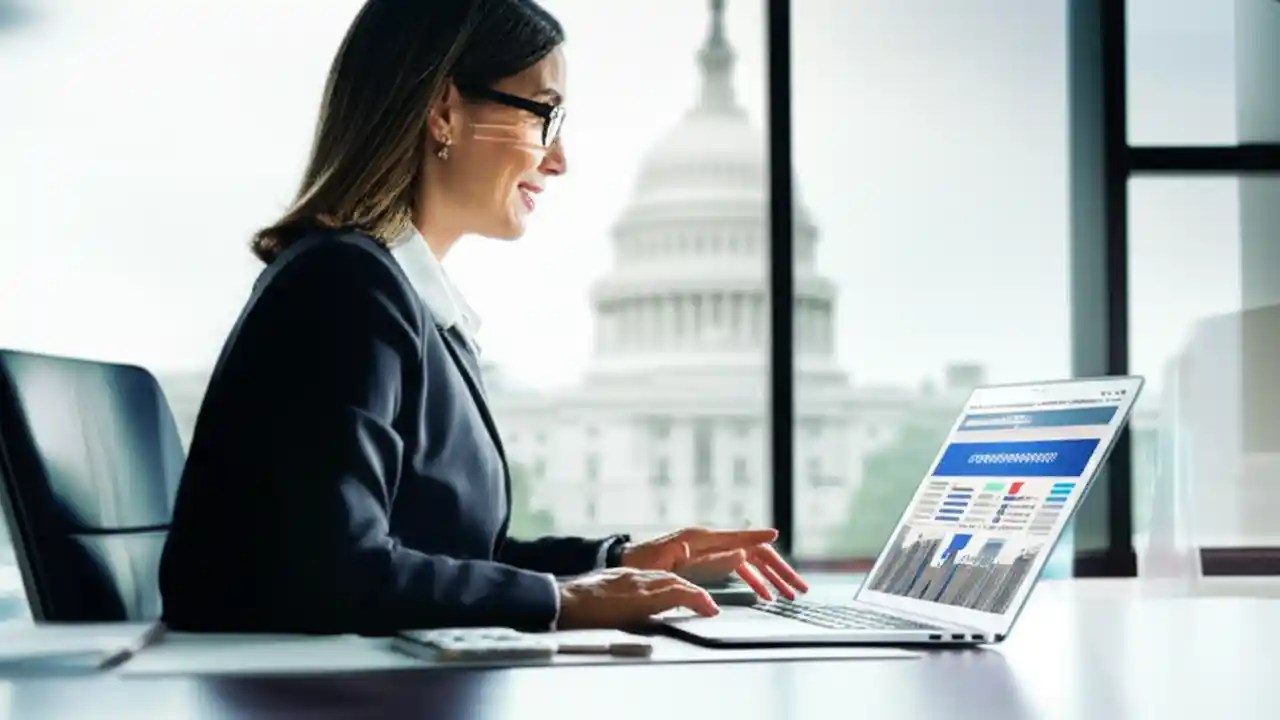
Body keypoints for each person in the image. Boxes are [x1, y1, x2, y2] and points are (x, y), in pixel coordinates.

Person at [157, 0, 806, 635]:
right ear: (444, 112)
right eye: (543, 117)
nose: (559, 160)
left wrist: (617, 562)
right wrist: (563, 600)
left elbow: (455, 554)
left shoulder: (401, 300)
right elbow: (335, 568)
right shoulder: (344, 289)